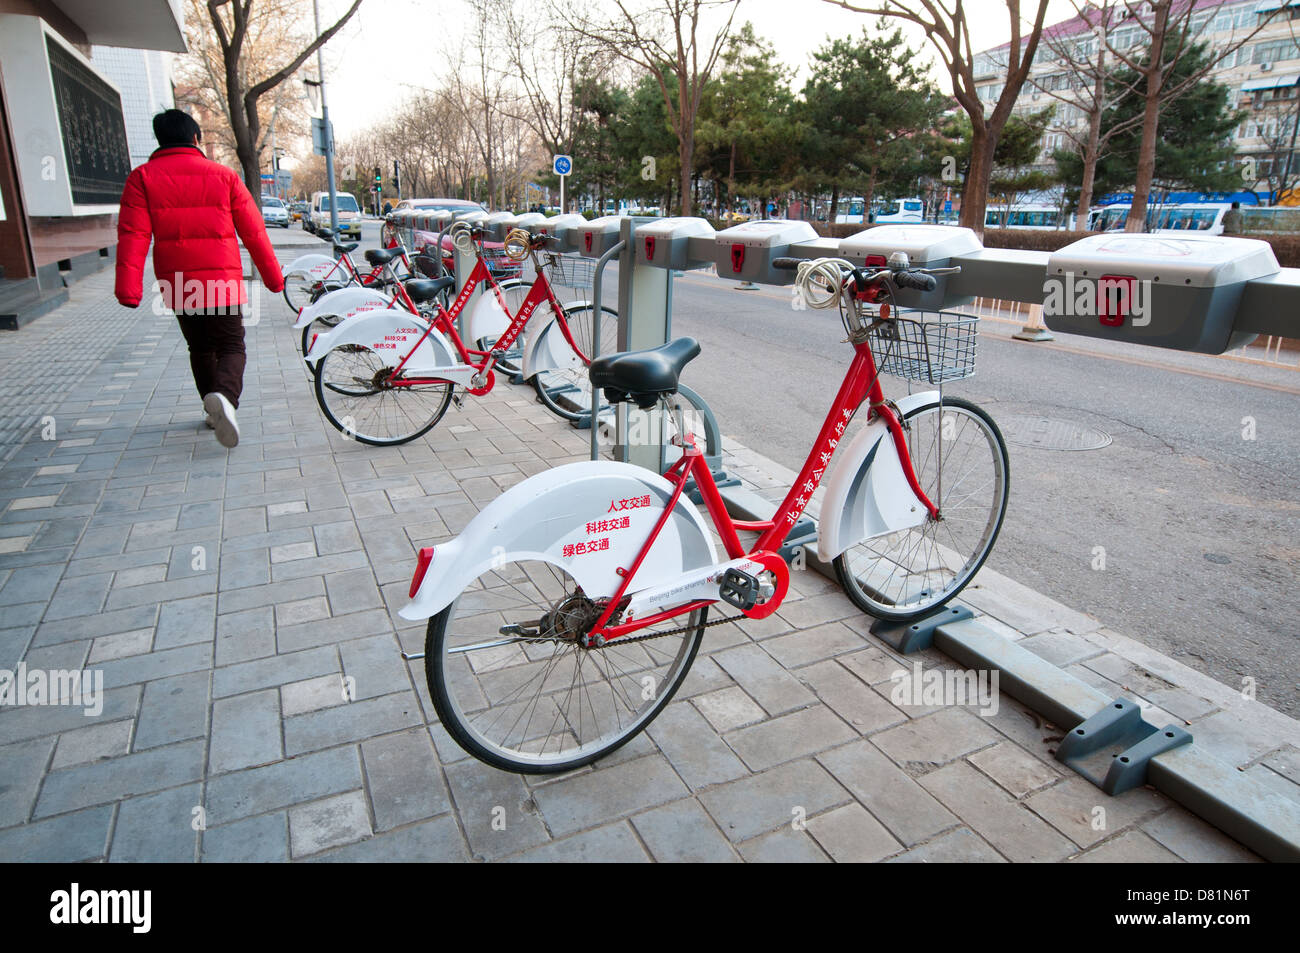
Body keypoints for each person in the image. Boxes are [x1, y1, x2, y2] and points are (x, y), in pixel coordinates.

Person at [114, 109, 284, 449]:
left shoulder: (142, 177)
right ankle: (225, 399)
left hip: (178, 282)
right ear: (196, 139)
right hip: (221, 279)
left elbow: (132, 235)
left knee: (201, 346)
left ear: (160, 139)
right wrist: (274, 278)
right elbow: (254, 233)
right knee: (232, 345)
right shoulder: (223, 176)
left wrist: (128, 290)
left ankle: (212, 408)